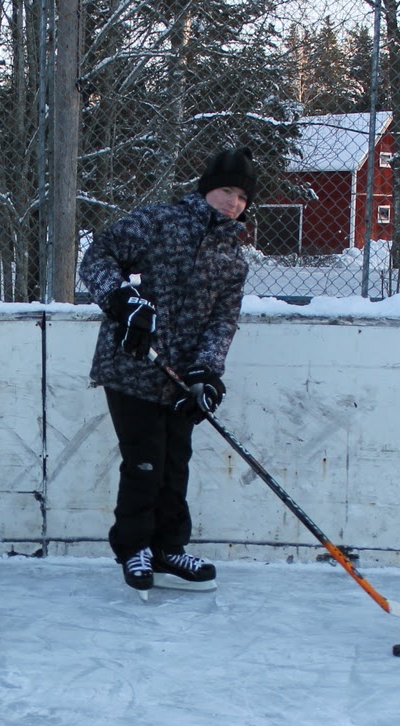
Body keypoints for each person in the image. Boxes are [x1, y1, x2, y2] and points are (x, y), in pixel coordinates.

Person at [78, 146, 255, 595]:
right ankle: (134, 547)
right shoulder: (159, 222)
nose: (233, 202)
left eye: (242, 197)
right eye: (226, 190)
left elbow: (222, 322)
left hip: (178, 376)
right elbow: (97, 257)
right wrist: (122, 301)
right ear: (207, 189)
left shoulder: (233, 259)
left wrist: (206, 374)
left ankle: (168, 548)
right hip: (132, 366)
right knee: (144, 462)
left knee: (176, 463)